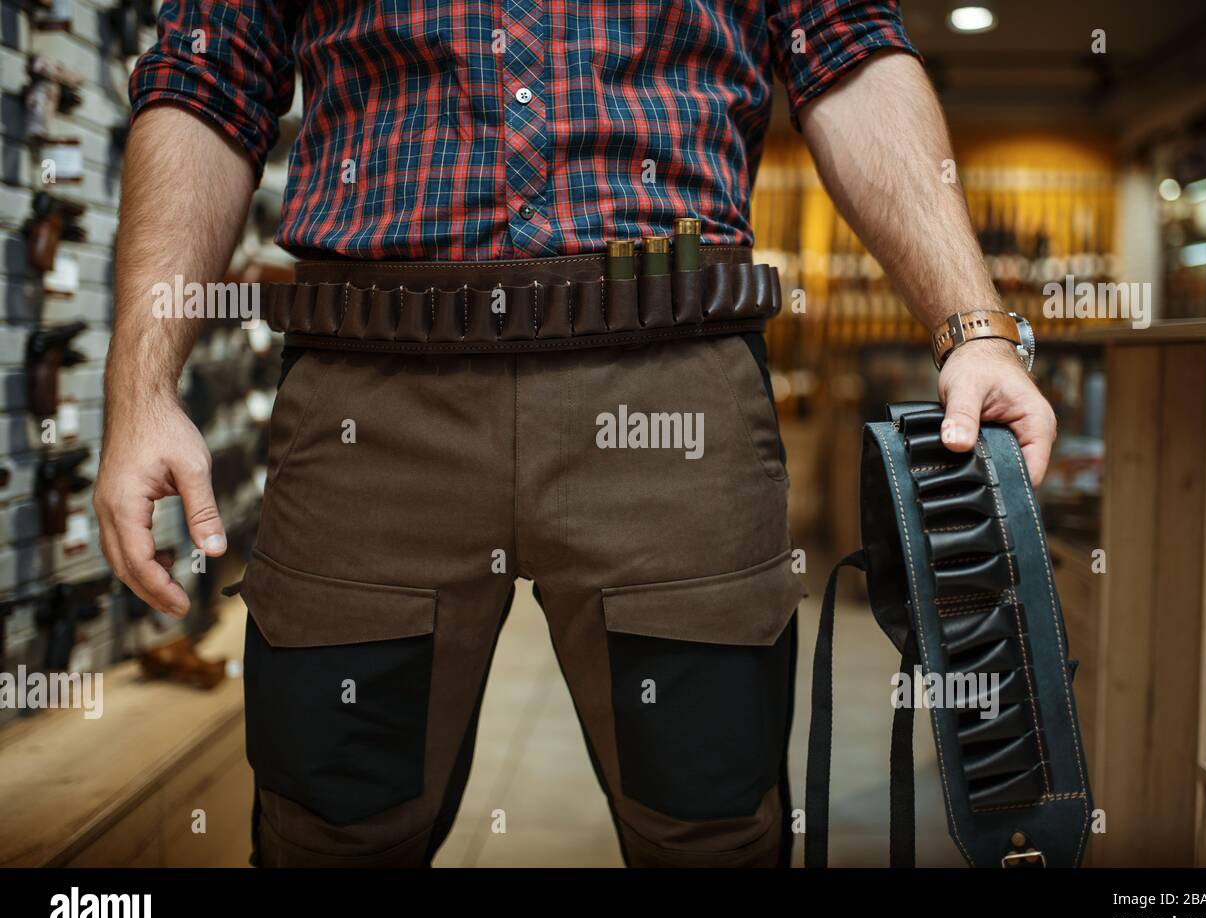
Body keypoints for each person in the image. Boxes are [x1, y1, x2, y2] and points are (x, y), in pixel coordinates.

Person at [95, 1, 1056, 867]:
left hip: (673, 404)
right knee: (329, 831)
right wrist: (139, 388)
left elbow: (845, 53)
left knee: (712, 828)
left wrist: (973, 325)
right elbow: (208, 74)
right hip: (371, 408)